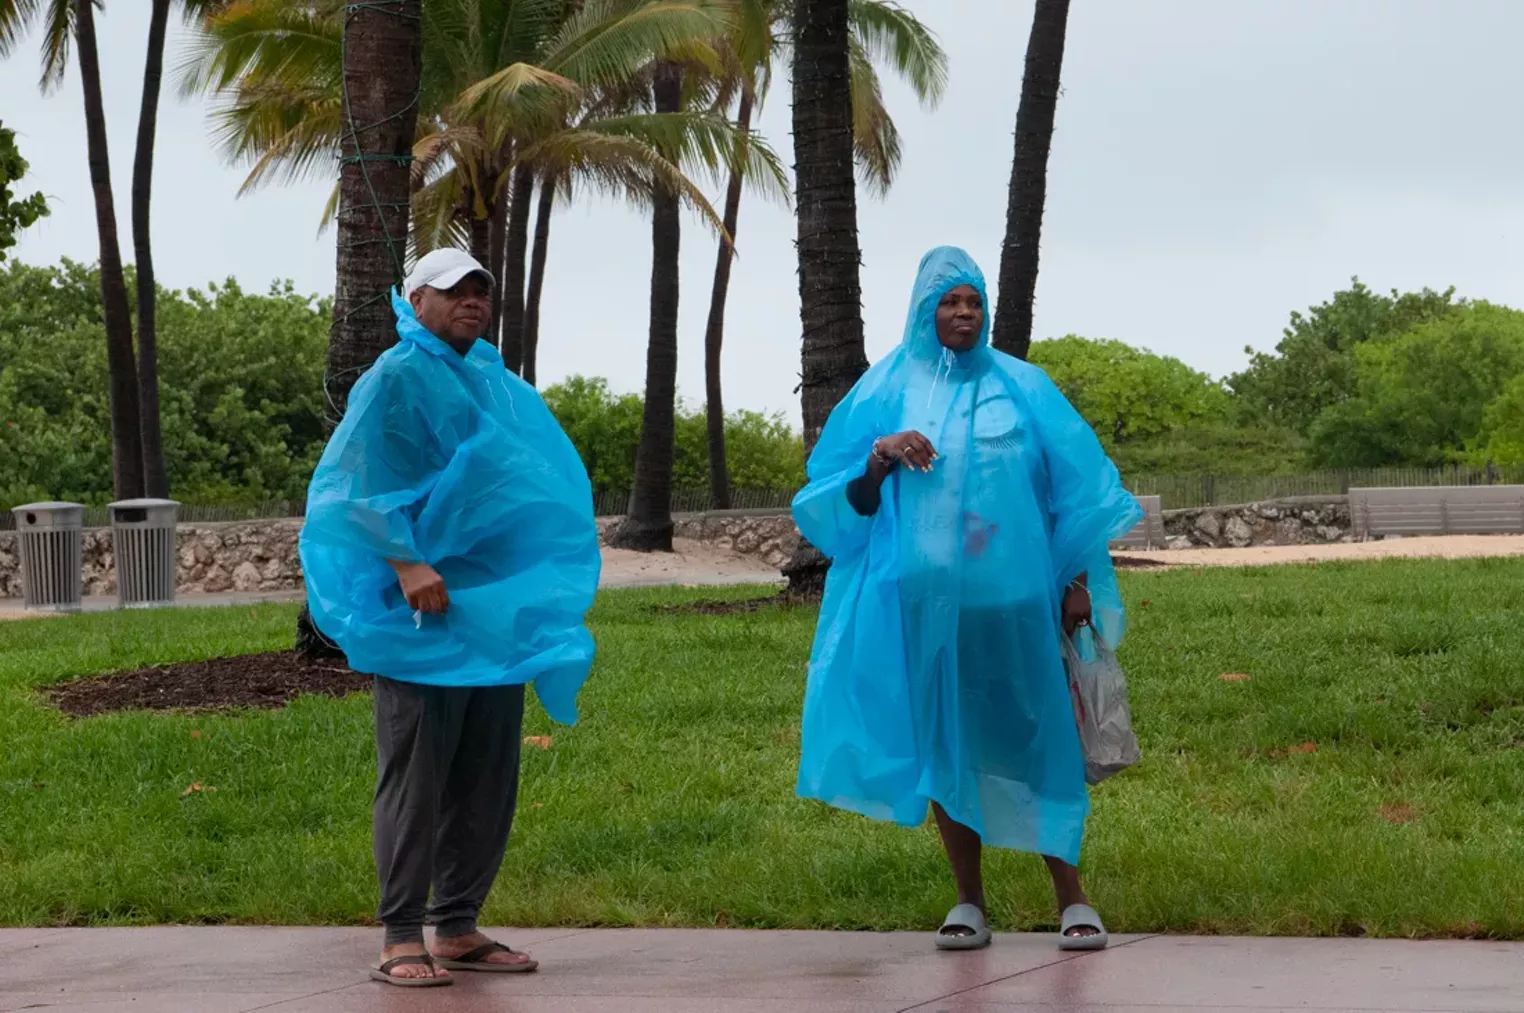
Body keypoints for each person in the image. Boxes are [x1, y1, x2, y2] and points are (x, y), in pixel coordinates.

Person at [791, 246, 1142, 953]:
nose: (962, 313)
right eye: (949, 301)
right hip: (925, 608)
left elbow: (1074, 494)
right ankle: (969, 901)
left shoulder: (1024, 388)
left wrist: (1075, 583)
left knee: (1038, 735)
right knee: (947, 742)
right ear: (925, 310)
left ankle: (1072, 897)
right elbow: (840, 501)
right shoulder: (886, 392)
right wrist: (881, 455)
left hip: (1015, 603)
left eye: (973, 301)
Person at [300, 248, 602, 987]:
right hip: (419, 616)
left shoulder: (496, 382)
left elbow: (533, 482)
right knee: (417, 774)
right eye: (454, 290)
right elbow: (352, 489)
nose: (472, 300)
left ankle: (459, 924)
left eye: (480, 289)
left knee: (486, 773)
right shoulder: (396, 378)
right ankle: (401, 933)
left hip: (488, 615)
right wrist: (405, 562)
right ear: (416, 299)